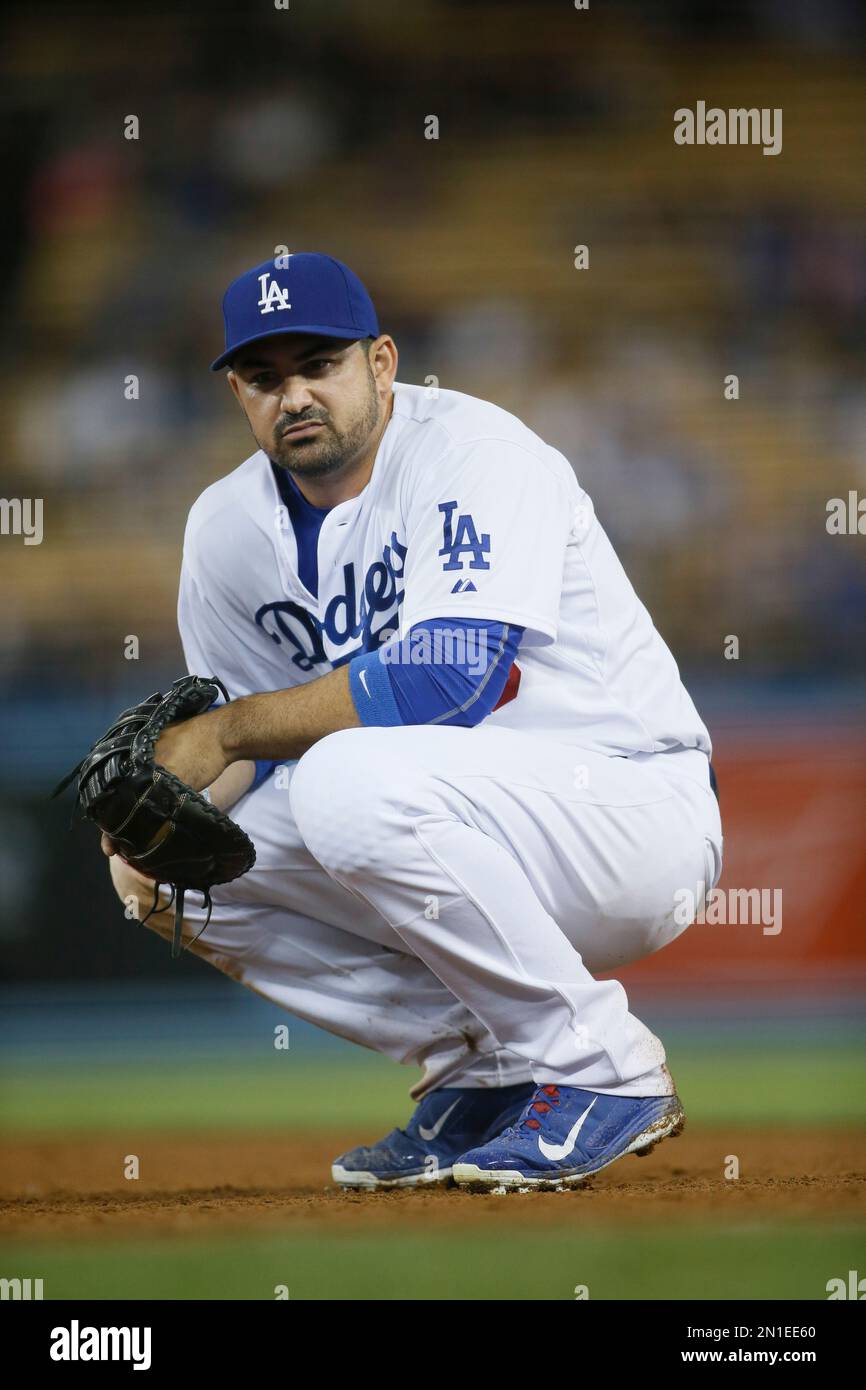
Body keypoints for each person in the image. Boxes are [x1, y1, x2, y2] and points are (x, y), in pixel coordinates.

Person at [106, 252, 723, 1190]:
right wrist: (158, 798)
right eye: (266, 377)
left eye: (321, 364)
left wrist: (227, 733)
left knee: (347, 777)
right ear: (237, 391)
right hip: (445, 819)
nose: (296, 394)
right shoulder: (225, 529)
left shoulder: (477, 453)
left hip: (627, 809)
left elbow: (449, 679)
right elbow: (250, 755)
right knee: (163, 861)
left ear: (383, 362)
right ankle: (485, 1069)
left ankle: (601, 1068)